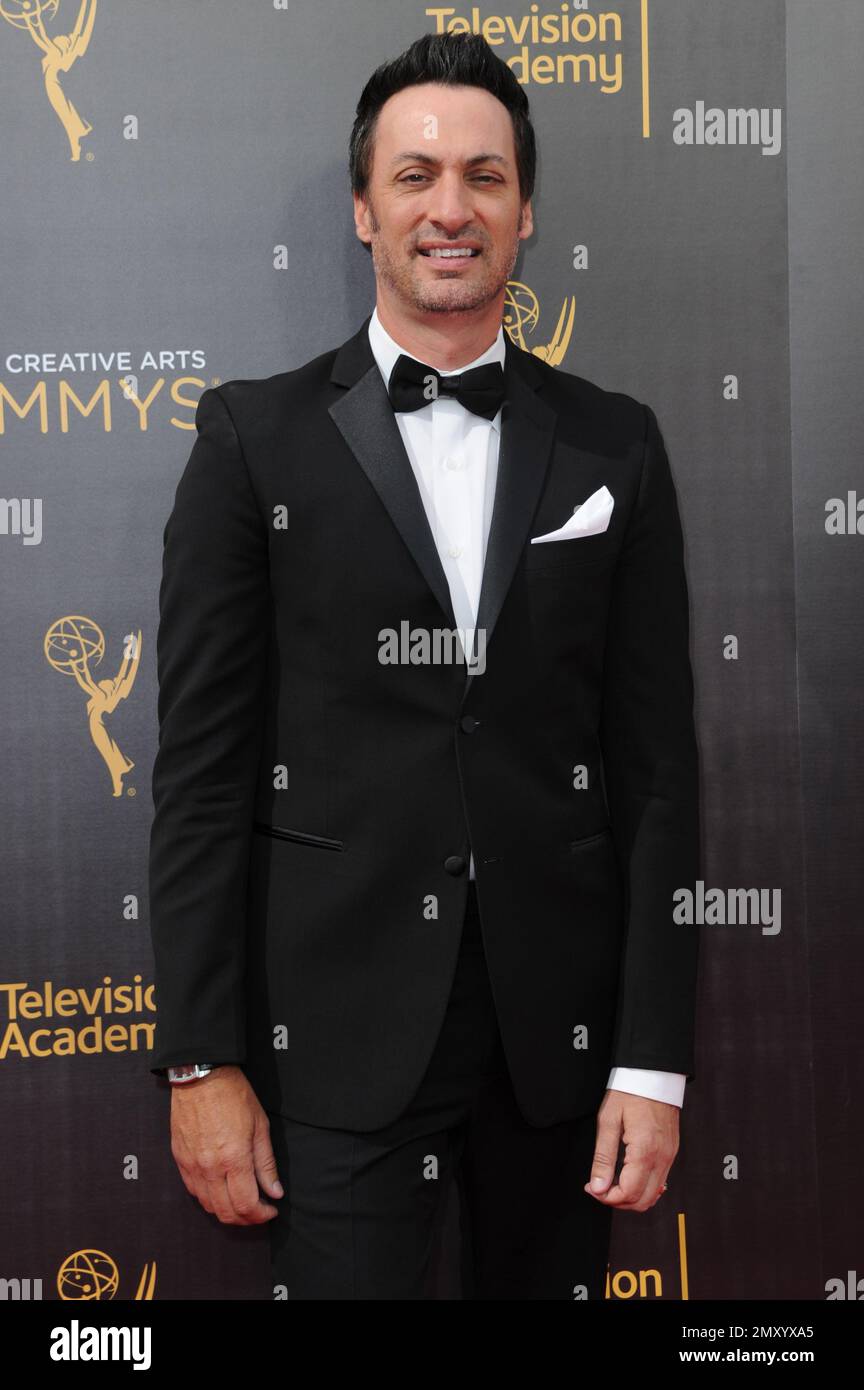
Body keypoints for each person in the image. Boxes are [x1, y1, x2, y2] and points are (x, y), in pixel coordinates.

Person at [148, 31, 700, 1300]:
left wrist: (651, 1062)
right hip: (330, 1043)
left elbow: (659, 774)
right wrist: (198, 1058)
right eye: (415, 175)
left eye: (484, 176)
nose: (450, 207)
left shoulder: (619, 445)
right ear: (363, 209)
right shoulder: (252, 441)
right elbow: (203, 778)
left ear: (524, 213)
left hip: (556, 1050)